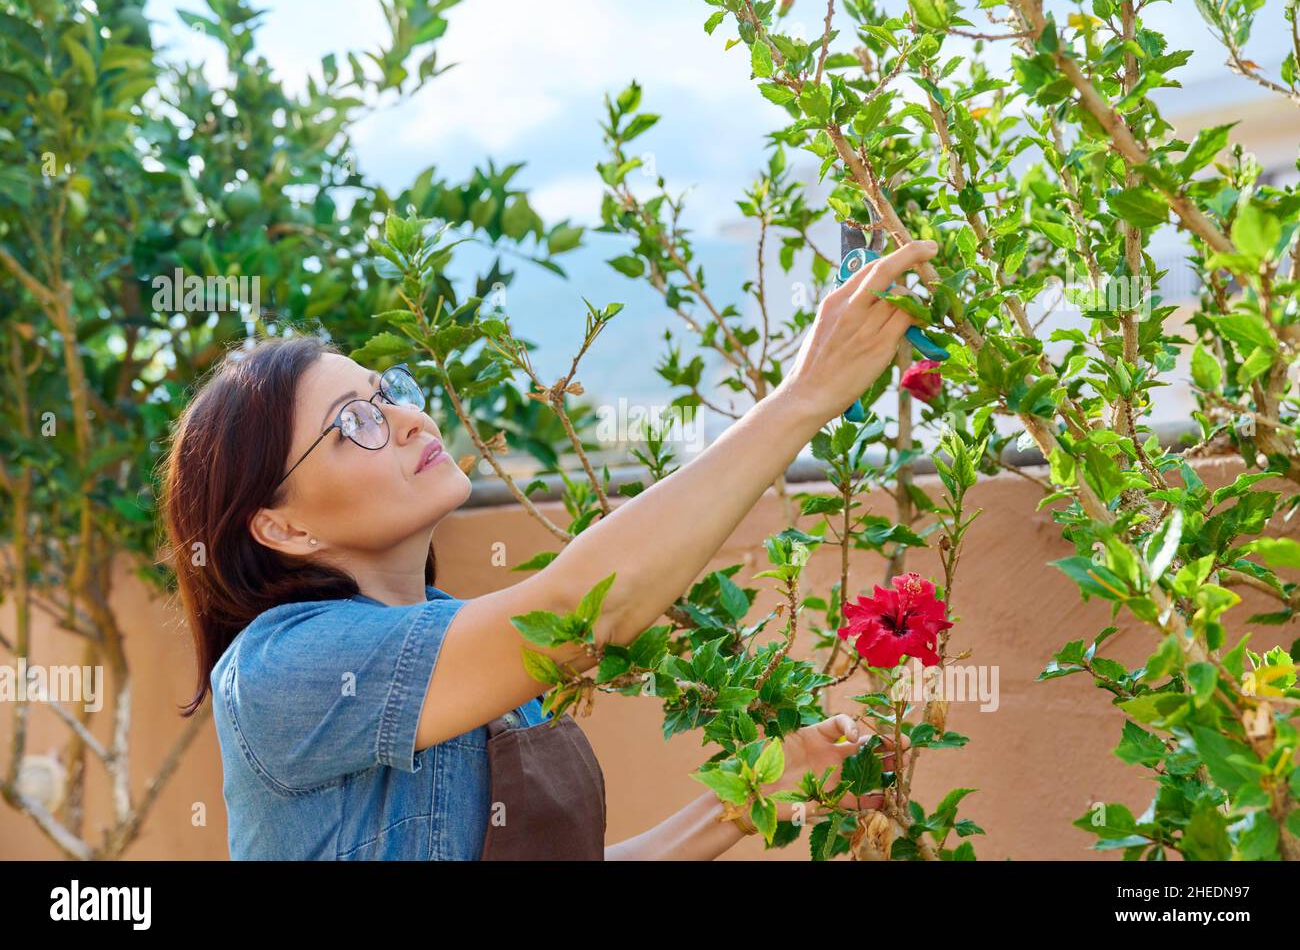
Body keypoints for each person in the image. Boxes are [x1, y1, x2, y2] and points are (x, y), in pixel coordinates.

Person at [162, 239, 937, 860]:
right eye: (352, 424)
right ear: (283, 526)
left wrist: (749, 801)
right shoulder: (282, 674)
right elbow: (580, 608)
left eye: (387, 392)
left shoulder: (468, 644)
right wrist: (805, 394)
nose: (406, 420)